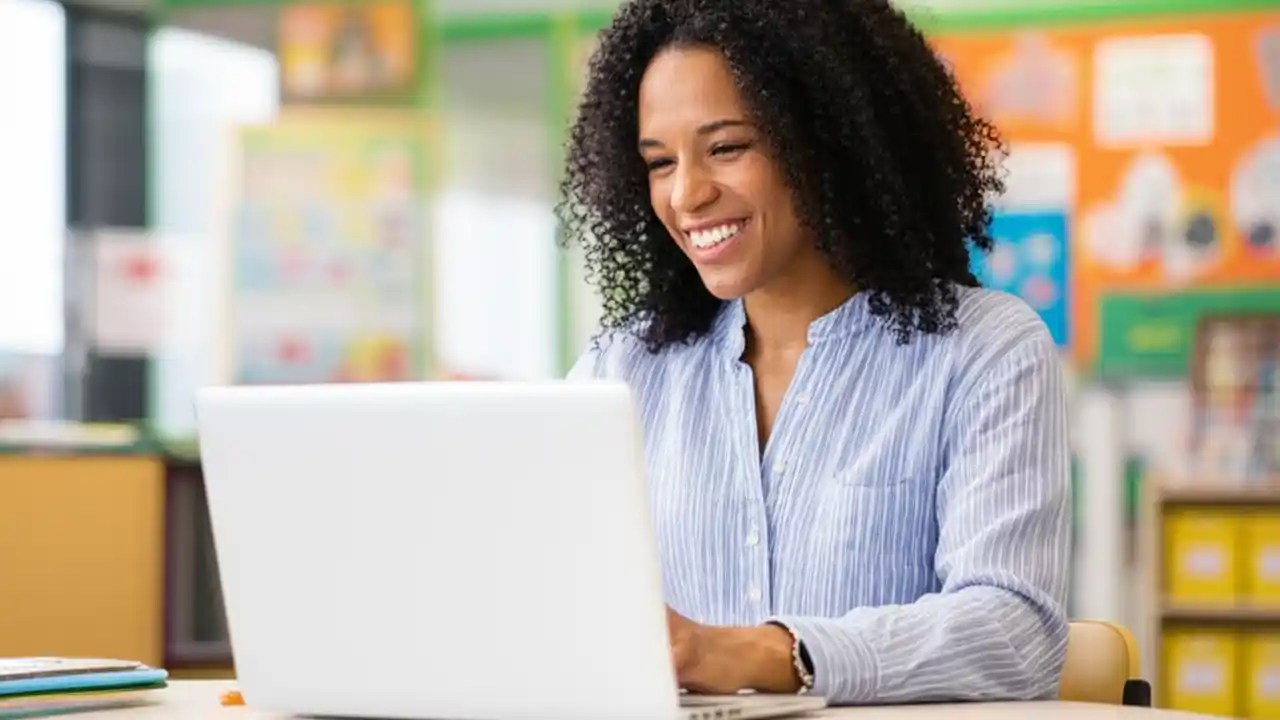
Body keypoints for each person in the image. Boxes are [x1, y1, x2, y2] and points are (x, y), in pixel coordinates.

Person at [559, 0, 1071, 707]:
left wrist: (764, 653)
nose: (686, 194)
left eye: (726, 148)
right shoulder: (619, 373)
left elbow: (1014, 634)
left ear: (828, 140)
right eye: (659, 162)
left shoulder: (984, 351)